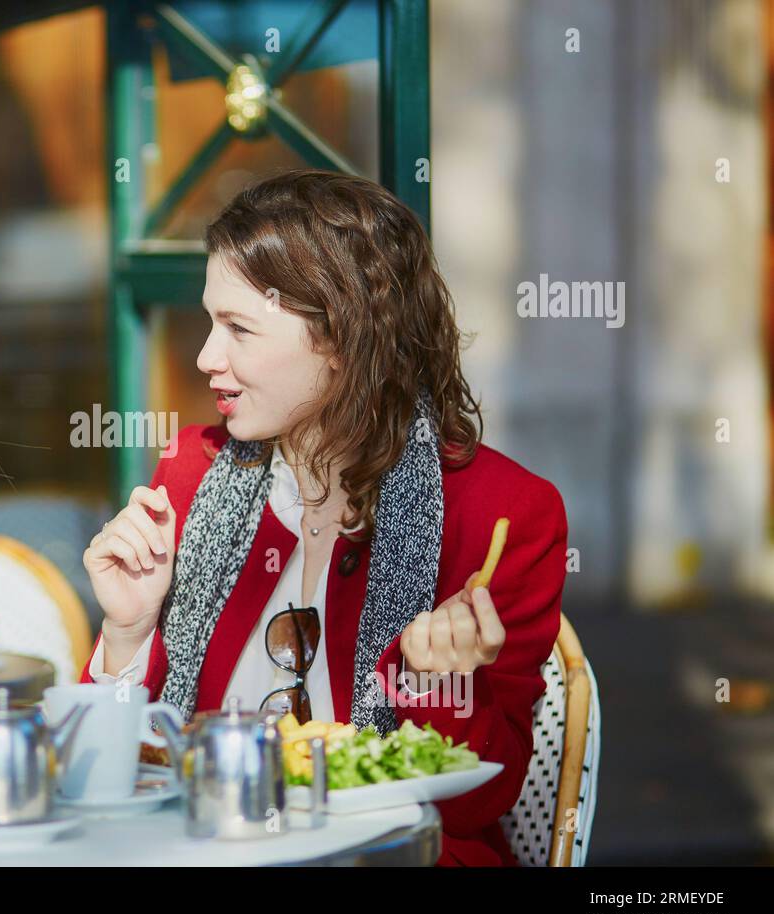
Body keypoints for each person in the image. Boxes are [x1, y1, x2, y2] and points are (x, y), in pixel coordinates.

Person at [82, 170, 568, 866]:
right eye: (208, 321)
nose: (205, 357)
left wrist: (440, 684)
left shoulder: (502, 515)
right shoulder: (190, 473)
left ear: (343, 340)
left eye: (238, 329)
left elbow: (476, 806)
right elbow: (110, 775)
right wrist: (126, 634)